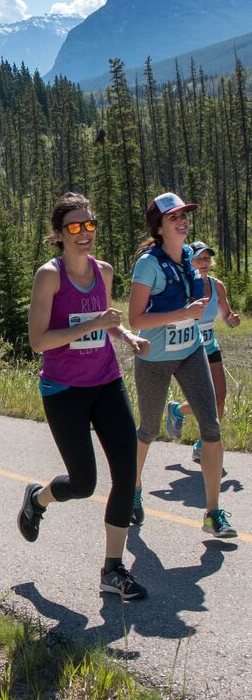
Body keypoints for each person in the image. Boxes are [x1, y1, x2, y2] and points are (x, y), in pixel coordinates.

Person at [19, 193, 150, 600]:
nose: (84, 233)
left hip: (107, 381)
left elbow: (105, 320)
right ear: (58, 235)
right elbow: (39, 341)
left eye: (89, 225)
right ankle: (37, 499)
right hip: (64, 391)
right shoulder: (50, 276)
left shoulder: (104, 272)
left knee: (126, 471)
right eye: (74, 227)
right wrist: (93, 322)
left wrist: (125, 335)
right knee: (83, 482)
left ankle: (112, 570)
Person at [128, 192, 235, 539]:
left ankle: (213, 512)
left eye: (185, 216)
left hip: (191, 351)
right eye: (174, 217)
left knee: (212, 427)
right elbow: (136, 319)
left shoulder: (189, 255)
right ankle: (134, 490)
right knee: (147, 430)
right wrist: (183, 314)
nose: (183, 221)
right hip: (155, 358)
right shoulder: (148, 264)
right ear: (159, 227)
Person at [166, 241, 242, 466]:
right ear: (189, 261)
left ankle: (202, 443)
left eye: (207, 258)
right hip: (189, 349)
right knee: (204, 400)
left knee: (220, 398)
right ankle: (177, 410)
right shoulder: (185, 285)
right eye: (200, 258)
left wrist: (232, 320)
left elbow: (227, 316)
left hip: (210, 347)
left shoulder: (217, 285)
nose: (205, 263)